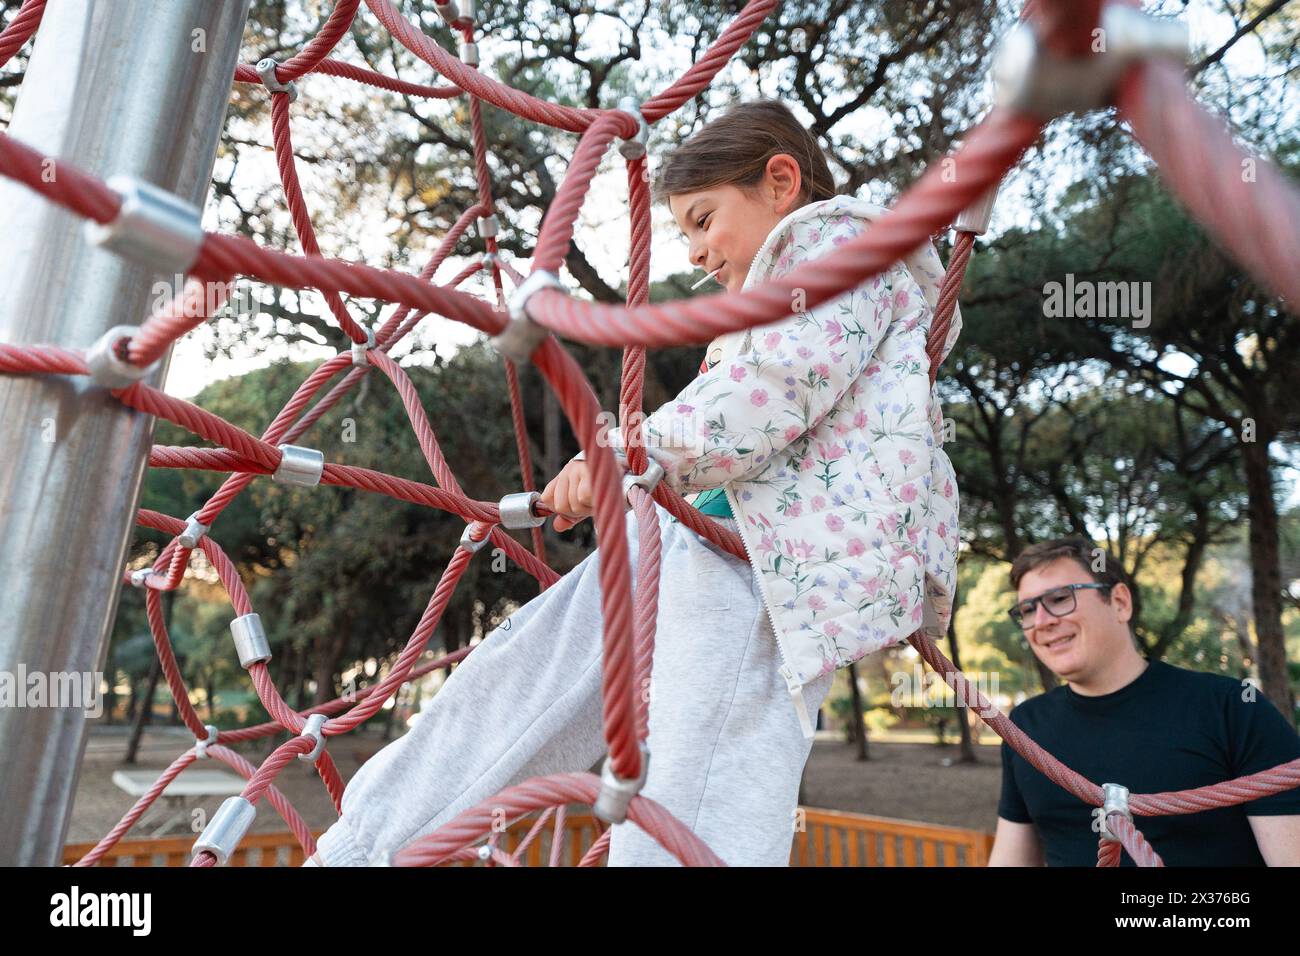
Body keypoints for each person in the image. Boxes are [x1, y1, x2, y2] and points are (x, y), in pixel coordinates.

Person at [305, 98, 961, 867]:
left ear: (780, 181)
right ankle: (359, 851)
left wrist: (621, 454)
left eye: (704, 218)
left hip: (769, 572)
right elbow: (721, 402)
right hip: (688, 537)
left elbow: (772, 392)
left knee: (701, 784)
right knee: (517, 679)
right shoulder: (766, 294)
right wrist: (617, 462)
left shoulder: (847, 249)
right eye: (683, 229)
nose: (693, 250)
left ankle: (364, 849)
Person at [988, 538, 1300, 866]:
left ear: (1120, 602)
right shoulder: (1023, 726)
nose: (1041, 622)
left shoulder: (1234, 708)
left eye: (1060, 598)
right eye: (1027, 610)